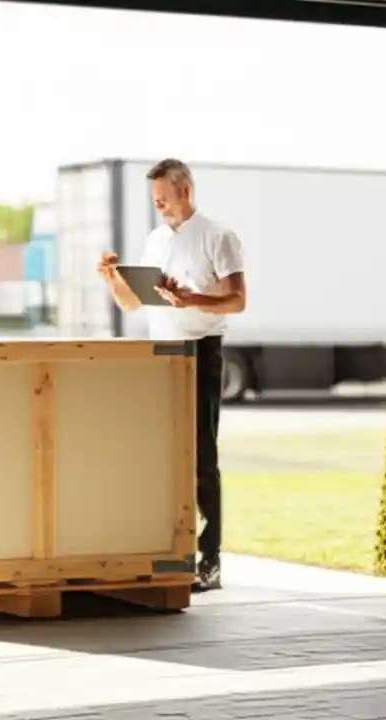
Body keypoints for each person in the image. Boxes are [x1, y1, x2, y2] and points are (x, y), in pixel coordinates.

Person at [96, 158, 246, 592]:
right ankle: (168, 550)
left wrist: (191, 300)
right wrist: (112, 278)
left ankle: (210, 559)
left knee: (202, 456)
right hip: (162, 354)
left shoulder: (219, 237)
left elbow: (236, 300)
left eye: (163, 197)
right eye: (154, 200)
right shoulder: (156, 241)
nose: (158, 205)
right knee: (162, 455)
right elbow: (131, 304)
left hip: (202, 350)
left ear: (186, 191)